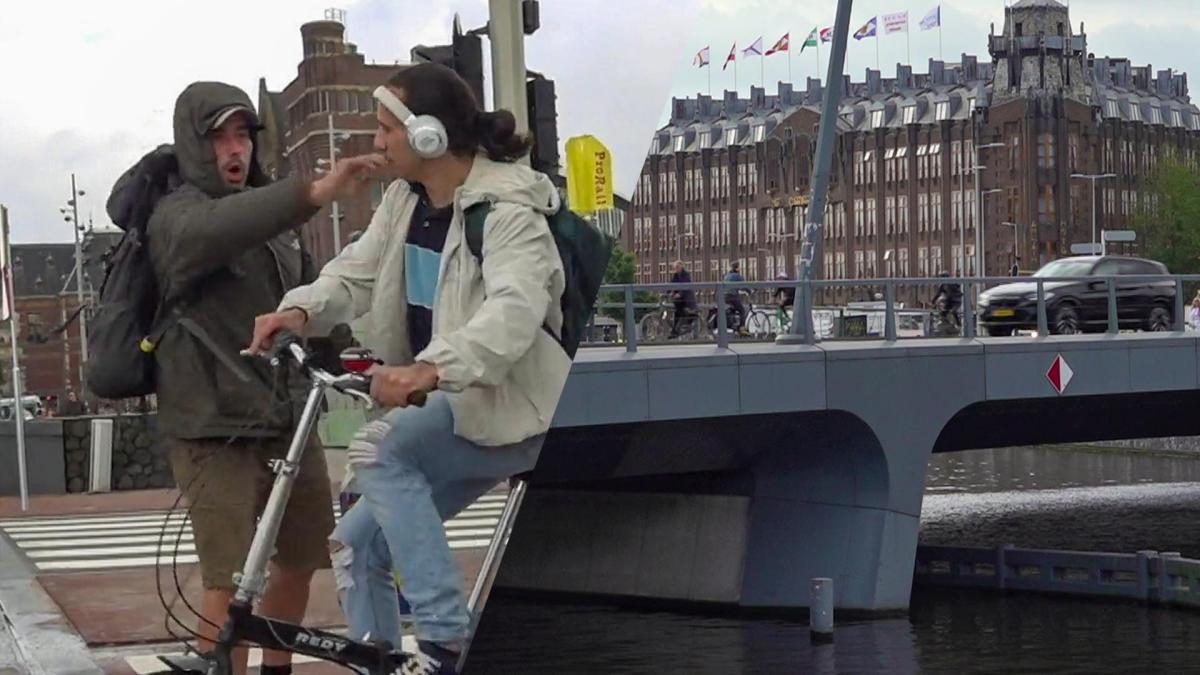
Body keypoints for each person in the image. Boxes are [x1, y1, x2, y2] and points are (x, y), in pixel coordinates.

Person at [247, 63, 569, 675]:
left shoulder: (506, 212)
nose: (375, 142)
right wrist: (298, 310)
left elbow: (513, 312)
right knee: (358, 542)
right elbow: (357, 270)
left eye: (383, 127)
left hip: (511, 404)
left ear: (428, 135)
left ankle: (446, 643)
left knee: (380, 454)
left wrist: (427, 369)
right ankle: (382, 664)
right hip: (453, 403)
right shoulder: (405, 200)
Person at [135, 80, 379, 675]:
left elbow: (309, 300)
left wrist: (360, 360)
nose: (234, 148)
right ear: (194, 146)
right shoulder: (176, 217)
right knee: (230, 572)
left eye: (243, 134)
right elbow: (218, 230)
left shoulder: (274, 219)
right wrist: (315, 189)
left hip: (284, 417)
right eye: (219, 137)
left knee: (300, 555)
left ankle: (278, 669)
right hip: (213, 424)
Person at [668, 260, 698, 338]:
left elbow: (685, 286)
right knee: (677, 311)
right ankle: (675, 330)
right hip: (679, 299)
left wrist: (679, 294)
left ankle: (676, 330)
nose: (676, 269)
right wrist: (666, 292)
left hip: (686, 299)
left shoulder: (685, 275)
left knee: (679, 312)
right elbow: (671, 284)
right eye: (675, 267)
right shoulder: (676, 275)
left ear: (682, 267)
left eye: (677, 267)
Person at [723, 260, 748, 331]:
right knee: (742, 310)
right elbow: (744, 286)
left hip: (725, 297)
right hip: (732, 297)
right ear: (736, 268)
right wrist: (750, 291)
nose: (740, 269)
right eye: (739, 267)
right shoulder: (737, 276)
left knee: (733, 310)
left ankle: (733, 324)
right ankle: (742, 328)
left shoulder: (727, 276)